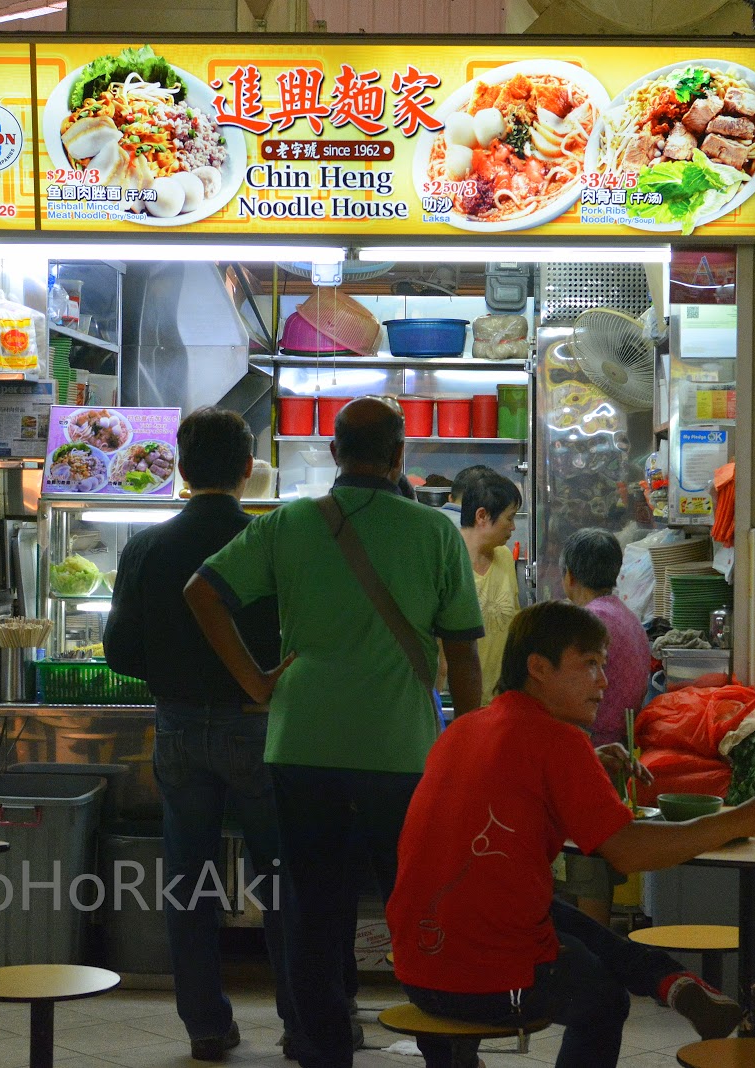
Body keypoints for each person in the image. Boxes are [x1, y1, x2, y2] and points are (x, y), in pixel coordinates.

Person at [185, 396, 485, 1068]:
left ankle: (324, 1052)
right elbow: (462, 655)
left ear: (332, 452)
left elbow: (201, 592)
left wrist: (257, 682)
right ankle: (448, 1052)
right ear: (399, 455)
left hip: (303, 745)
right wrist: (471, 749)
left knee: (315, 914)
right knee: (418, 912)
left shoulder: (290, 522)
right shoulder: (434, 532)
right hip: (401, 752)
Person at [387, 602, 755, 1068]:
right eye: (588, 664)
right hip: (490, 985)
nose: (603, 681)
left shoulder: (463, 729)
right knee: (603, 1000)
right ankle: (667, 979)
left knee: (552, 915)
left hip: (415, 968)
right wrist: (741, 819)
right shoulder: (558, 741)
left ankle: (670, 981)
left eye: (603, 665)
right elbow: (627, 852)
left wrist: (589, 769)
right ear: (538, 669)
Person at [101, 407, 293, 1061]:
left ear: (180, 471)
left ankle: (206, 1025)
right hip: (259, 726)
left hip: (179, 727)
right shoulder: (272, 541)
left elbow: (120, 653)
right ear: (248, 470)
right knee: (280, 877)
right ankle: (304, 1017)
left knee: (189, 880)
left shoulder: (146, 546)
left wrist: (175, 669)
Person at [559, 528, 655, 924]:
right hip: (614, 754)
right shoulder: (627, 618)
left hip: (589, 754)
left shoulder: (588, 622)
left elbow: (569, 695)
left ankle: (591, 966)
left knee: (588, 870)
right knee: (597, 861)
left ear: (569, 576)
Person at [458, 471, 523, 692]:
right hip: (457, 699)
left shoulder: (504, 557)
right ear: (482, 516)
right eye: (510, 517)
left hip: (500, 698)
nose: (513, 527)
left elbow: (513, 623)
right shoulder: (448, 560)